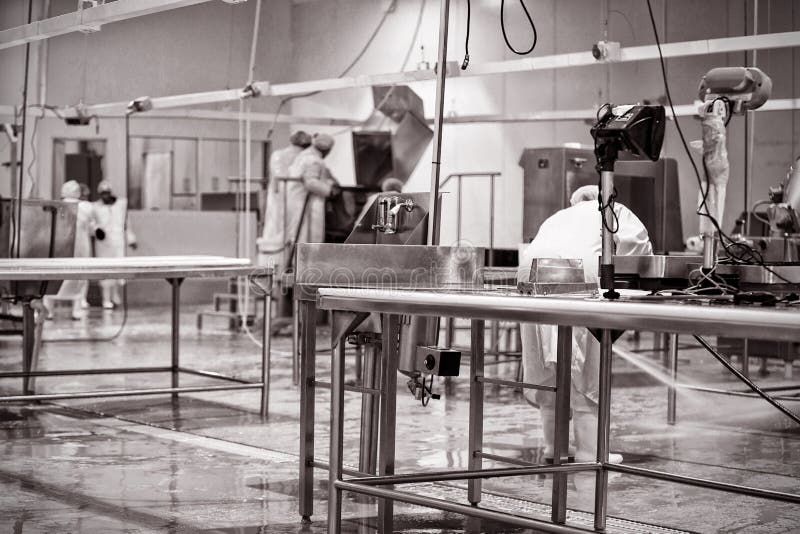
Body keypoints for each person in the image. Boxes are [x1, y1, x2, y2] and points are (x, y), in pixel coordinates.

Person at [517, 185, 652, 467]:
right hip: (579, 272)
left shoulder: (558, 216)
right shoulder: (613, 211)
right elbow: (641, 253)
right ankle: (590, 453)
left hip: (531, 274)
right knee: (587, 363)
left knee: (546, 362)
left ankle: (555, 447)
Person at [258, 130, 312, 271]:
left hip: (282, 200)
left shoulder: (279, 155)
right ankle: (286, 266)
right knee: (290, 233)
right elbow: (281, 177)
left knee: (281, 233)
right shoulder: (302, 158)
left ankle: (282, 266)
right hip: (288, 200)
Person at [43, 180, 97, 320]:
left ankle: (48, 311)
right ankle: (76, 311)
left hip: (59, 249)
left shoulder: (57, 206)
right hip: (80, 249)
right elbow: (92, 227)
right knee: (78, 277)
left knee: (54, 277)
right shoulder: (87, 207)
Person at [93, 180, 137, 309]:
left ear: (111, 193)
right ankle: (106, 299)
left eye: (106, 193)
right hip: (103, 243)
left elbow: (126, 224)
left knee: (118, 270)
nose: (104, 196)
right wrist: (96, 229)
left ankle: (115, 295)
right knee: (105, 270)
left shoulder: (121, 205)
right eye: (102, 194)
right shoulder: (95, 207)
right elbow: (92, 223)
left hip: (118, 242)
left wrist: (131, 239)